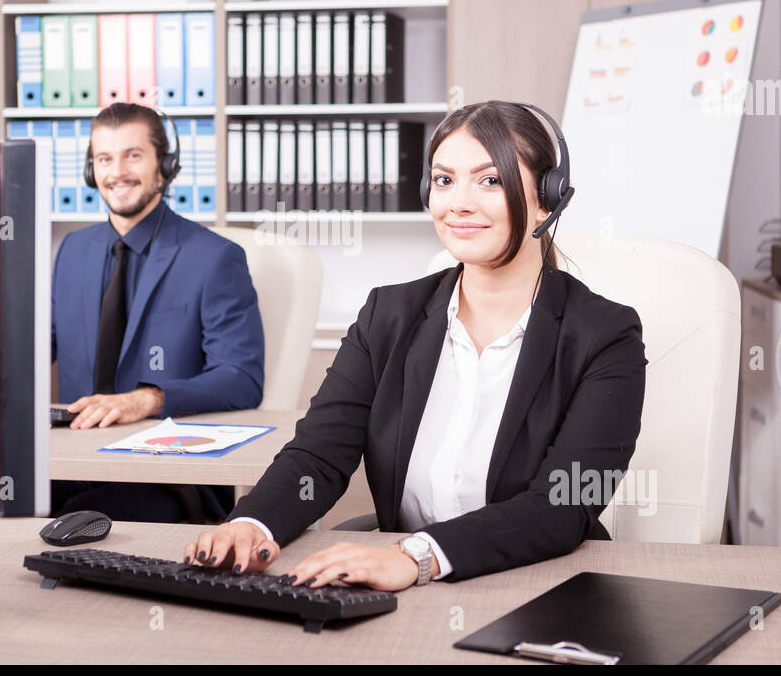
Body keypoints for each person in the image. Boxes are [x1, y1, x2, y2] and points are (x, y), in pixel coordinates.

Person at [183, 100, 647, 589]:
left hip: (541, 586)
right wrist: (251, 526)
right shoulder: (389, 316)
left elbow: (561, 504)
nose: (459, 203)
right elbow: (318, 456)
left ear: (547, 200)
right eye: (444, 180)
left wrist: (415, 557)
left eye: (489, 180)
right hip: (407, 591)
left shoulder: (603, 335)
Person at [51, 102, 264, 521]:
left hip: (169, 477)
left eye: (133, 155)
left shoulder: (215, 258)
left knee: (67, 524)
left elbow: (242, 379)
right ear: (90, 170)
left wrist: (148, 400)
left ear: (163, 166)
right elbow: (35, 350)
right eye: (104, 159)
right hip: (73, 464)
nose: (117, 172)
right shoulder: (72, 251)